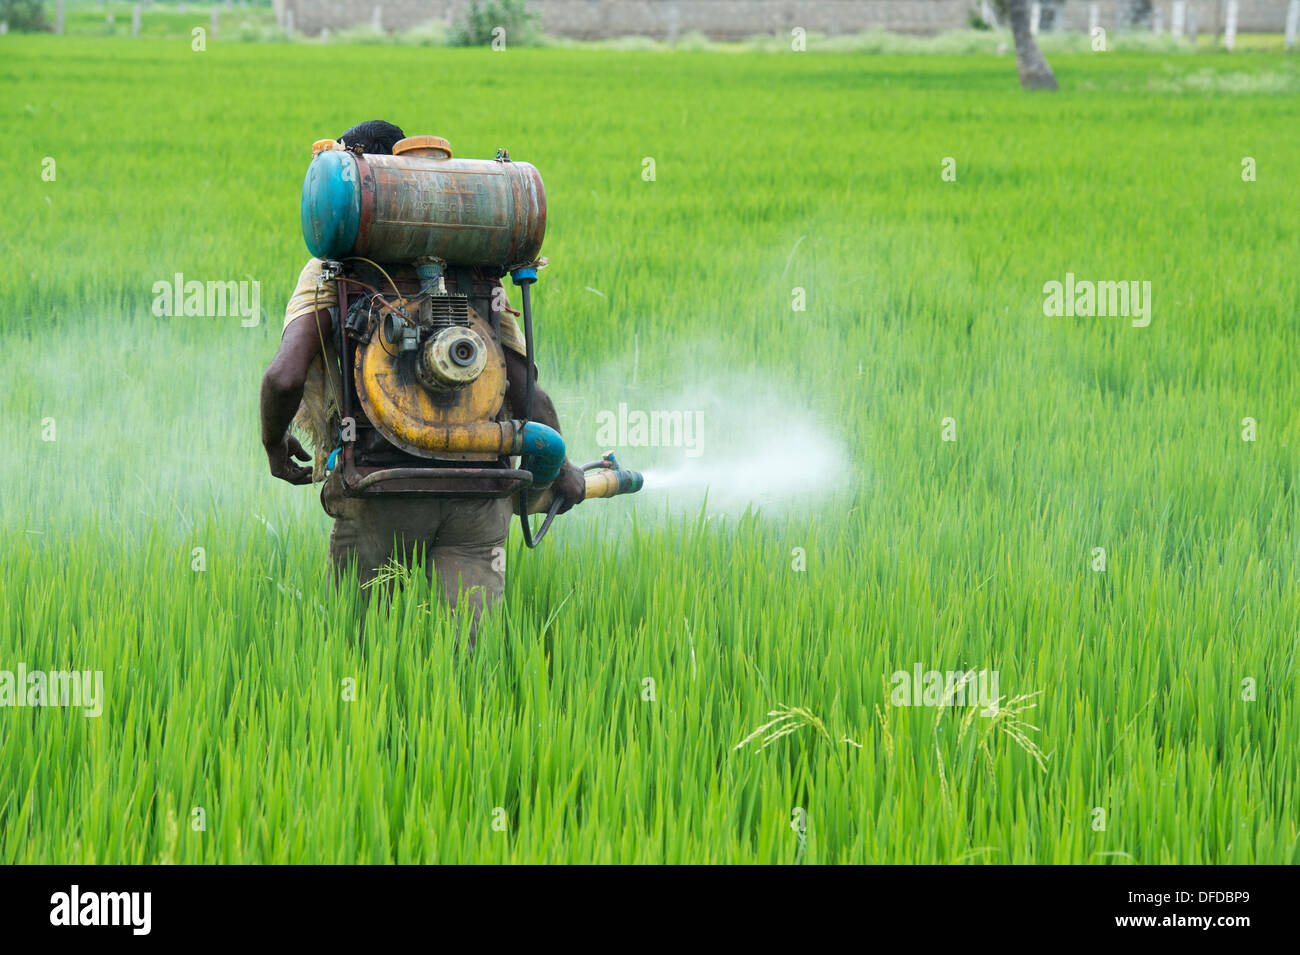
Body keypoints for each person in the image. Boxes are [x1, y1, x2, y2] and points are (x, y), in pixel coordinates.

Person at [259, 120, 584, 644]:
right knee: (468, 663)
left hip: (382, 488)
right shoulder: (472, 268)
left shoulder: (337, 267)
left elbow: (284, 377)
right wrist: (559, 464)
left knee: (359, 660)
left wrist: (276, 444)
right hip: (477, 494)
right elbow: (522, 387)